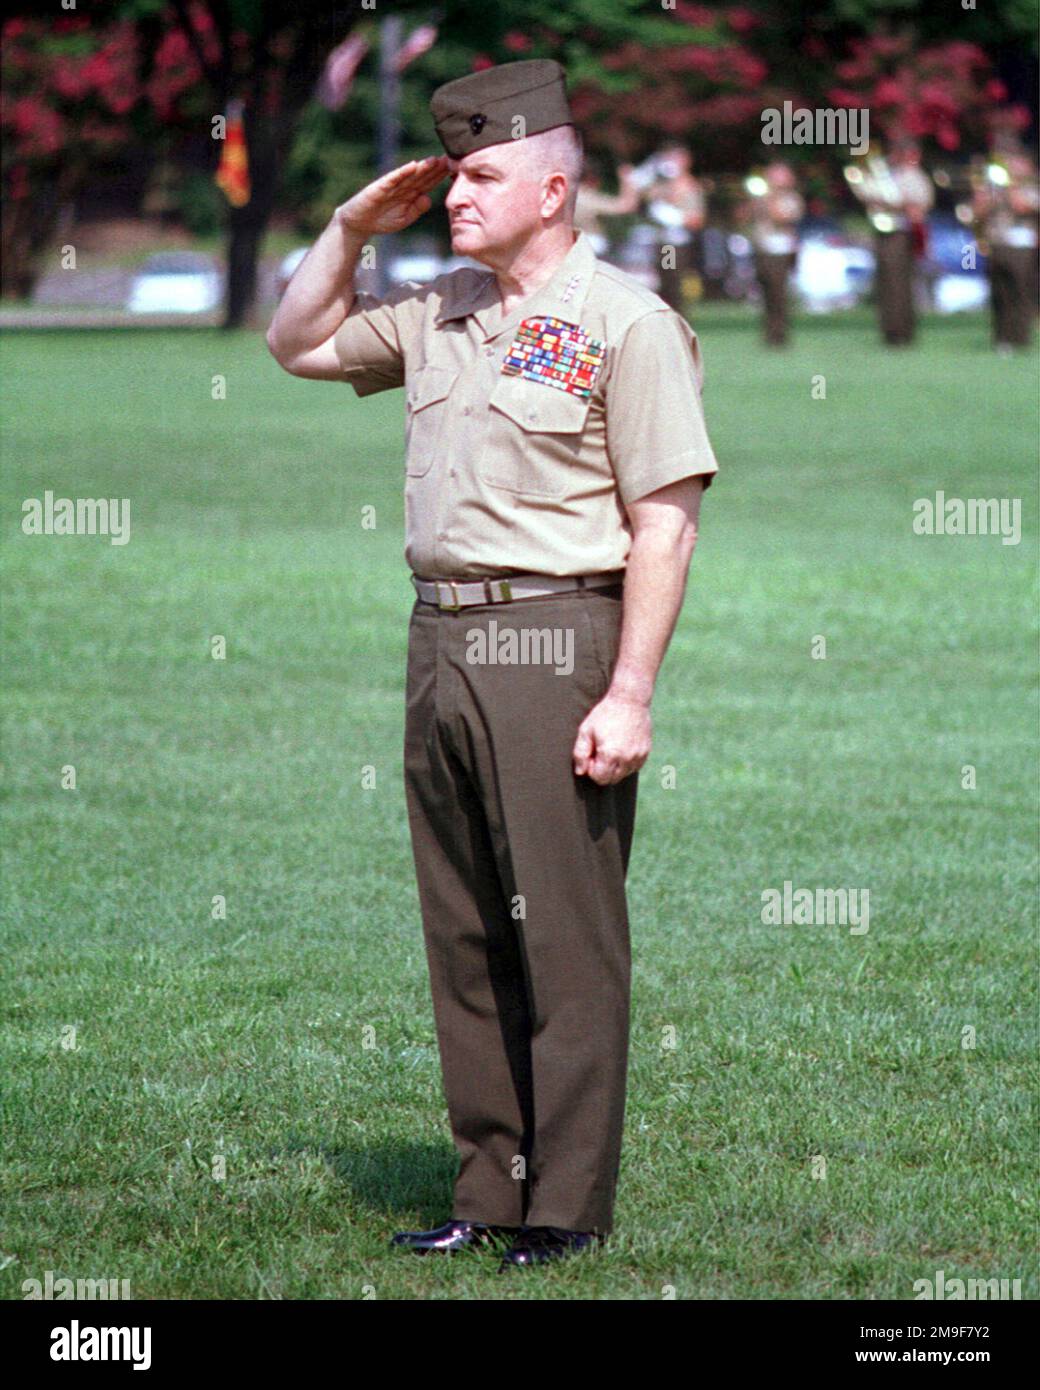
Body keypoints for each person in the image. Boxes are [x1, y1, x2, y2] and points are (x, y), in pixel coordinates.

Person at [265, 59, 719, 1271]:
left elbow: (664, 521)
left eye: (477, 175)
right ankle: (488, 1188)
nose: (453, 194)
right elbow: (294, 343)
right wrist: (352, 226)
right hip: (438, 637)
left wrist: (629, 693)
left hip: (558, 635)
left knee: (562, 935)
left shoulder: (625, 322)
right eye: (450, 173)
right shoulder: (439, 308)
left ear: (553, 187)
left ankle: (561, 1203)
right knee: (462, 932)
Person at [847, 137, 933, 345]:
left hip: (901, 234)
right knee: (886, 285)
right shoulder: (885, 175)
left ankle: (902, 333)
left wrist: (890, 201)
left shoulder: (914, 177)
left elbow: (918, 205)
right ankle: (890, 332)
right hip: (883, 232)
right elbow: (866, 192)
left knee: (900, 285)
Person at [973, 148, 1040, 352]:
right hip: (997, 243)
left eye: (1017, 165)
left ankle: (1020, 337)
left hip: (1021, 245)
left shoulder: (1032, 187)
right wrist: (987, 196)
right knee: (999, 293)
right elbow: (977, 214)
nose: (1012, 169)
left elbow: (1022, 207)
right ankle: (1002, 338)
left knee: (1020, 291)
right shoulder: (994, 188)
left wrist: (1010, 187)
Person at [637, 145, 707, 312]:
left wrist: (675, 218)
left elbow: (697, 219)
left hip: (674, 245)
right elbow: (642, 194)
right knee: (664, 283)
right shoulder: (661, 184)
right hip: (662, 242)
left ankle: (677, 320)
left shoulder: (690, 187)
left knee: (673, 283)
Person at [743, 161, 804, 346]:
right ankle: (768, 331)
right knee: (765, 292)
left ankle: (779, 333)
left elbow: (783, 218)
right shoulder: (761, 197)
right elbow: (743, 216)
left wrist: (768, 200)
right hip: (763, 248)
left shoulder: (791, 198)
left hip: (781, 250)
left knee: (779, 293)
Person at [573, 163, 640, 257]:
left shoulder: (565, 195)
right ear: (591, 178)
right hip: (591, 244)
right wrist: (627, 180)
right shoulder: (586, 196)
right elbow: (626, 206)